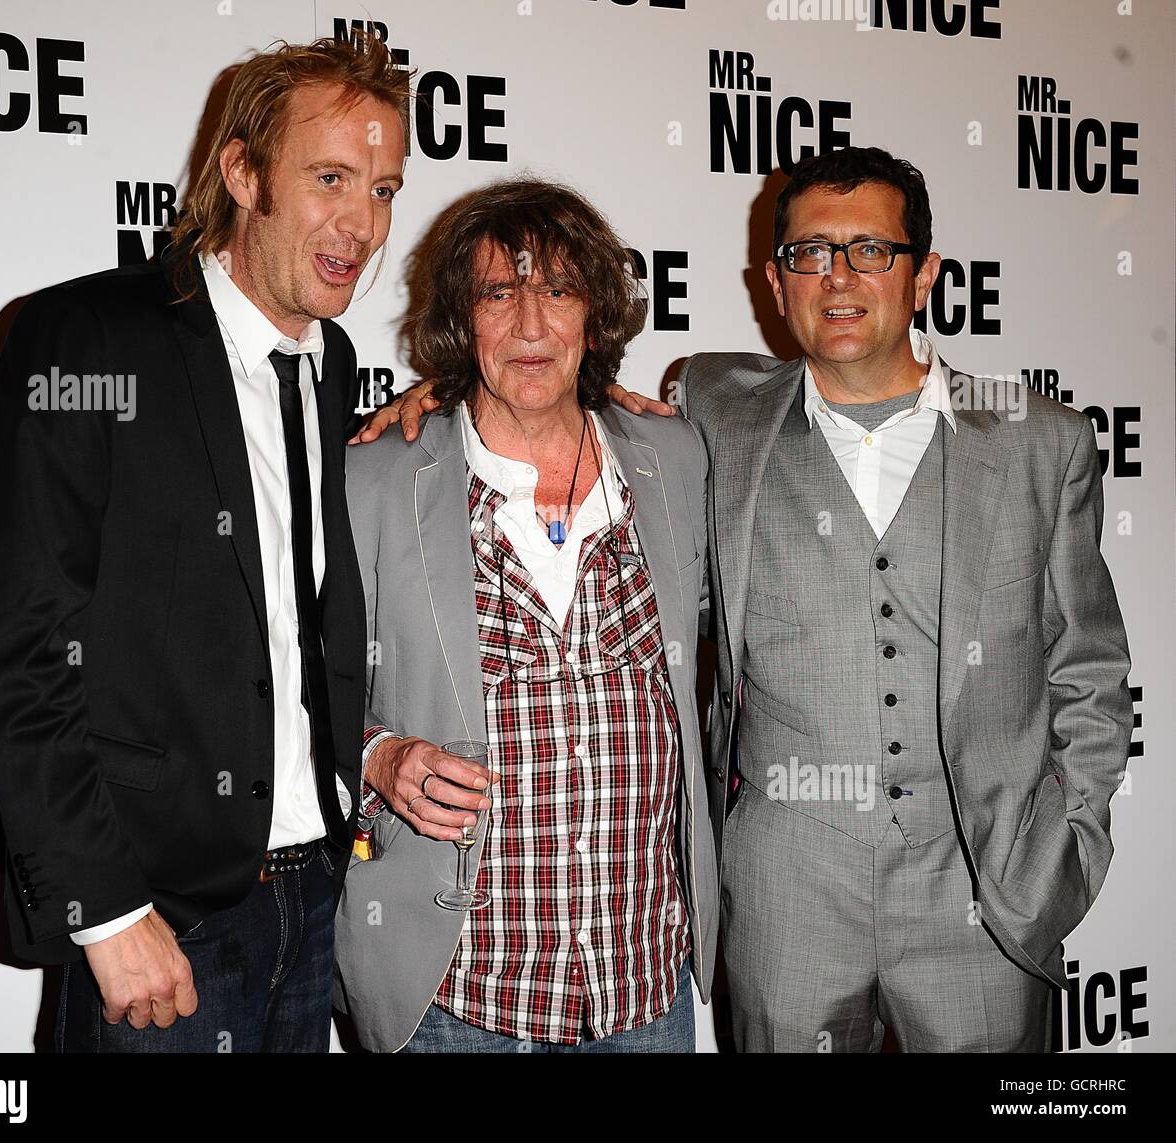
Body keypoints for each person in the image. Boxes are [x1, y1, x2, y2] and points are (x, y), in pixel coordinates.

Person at [356, 146, 1133, 1053]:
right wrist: (440, 390)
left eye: (870, 251)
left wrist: (1064, 853)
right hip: (782, 909)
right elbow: (532, 380)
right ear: (775, 279)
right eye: (809, 254)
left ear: (923, 275)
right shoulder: (714, 411)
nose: (838, 278)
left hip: (982, 902)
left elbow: (1090, 670)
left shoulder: (1040, 439)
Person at [0, 36, 409, 1052]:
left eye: (383, 189)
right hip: (165, 918)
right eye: (329, 178)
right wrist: (107, 913)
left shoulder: (329, 362)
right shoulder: (85, 338)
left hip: (314, 896)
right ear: (242, 172)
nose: (362, 224)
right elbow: (19, 649)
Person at [335, 179, 718, 1053]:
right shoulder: (375, 480)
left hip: (646, 991)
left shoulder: (676, 458)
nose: (533, 325)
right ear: (463, 323)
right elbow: (293, 688)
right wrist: (376, 755)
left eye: (558, 289)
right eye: (499, 294)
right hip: (460, 998)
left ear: (597, 311)